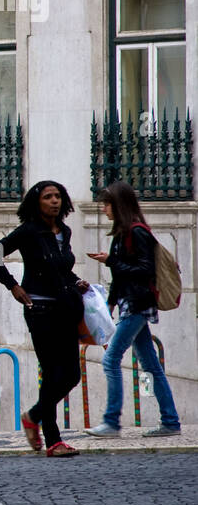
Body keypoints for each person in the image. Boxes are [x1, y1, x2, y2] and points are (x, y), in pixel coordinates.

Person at [0, 180, 90, 458]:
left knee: (71, 375)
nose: (54, 201)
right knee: (52, 371)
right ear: (37, 202)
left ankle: (33, 415)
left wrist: (77, 281)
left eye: (58, 196)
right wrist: (13, 285)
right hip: (40, 309)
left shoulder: (64, 232)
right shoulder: (29, 231)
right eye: (48, 197)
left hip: (67, 308)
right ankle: (54, 441)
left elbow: (61, 269)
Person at [86, 181, 182, 438]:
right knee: (150, 363)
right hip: (131, 304)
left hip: (138, 306)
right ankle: (171, 421)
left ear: (119, 206)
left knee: (111, 360)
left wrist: (111, 261)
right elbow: (121, 275)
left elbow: (144, 271)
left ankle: (111, 422)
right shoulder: (121, 234)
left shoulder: (136, 233)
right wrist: (110, 302)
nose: (104, 209)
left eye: (107, 204)